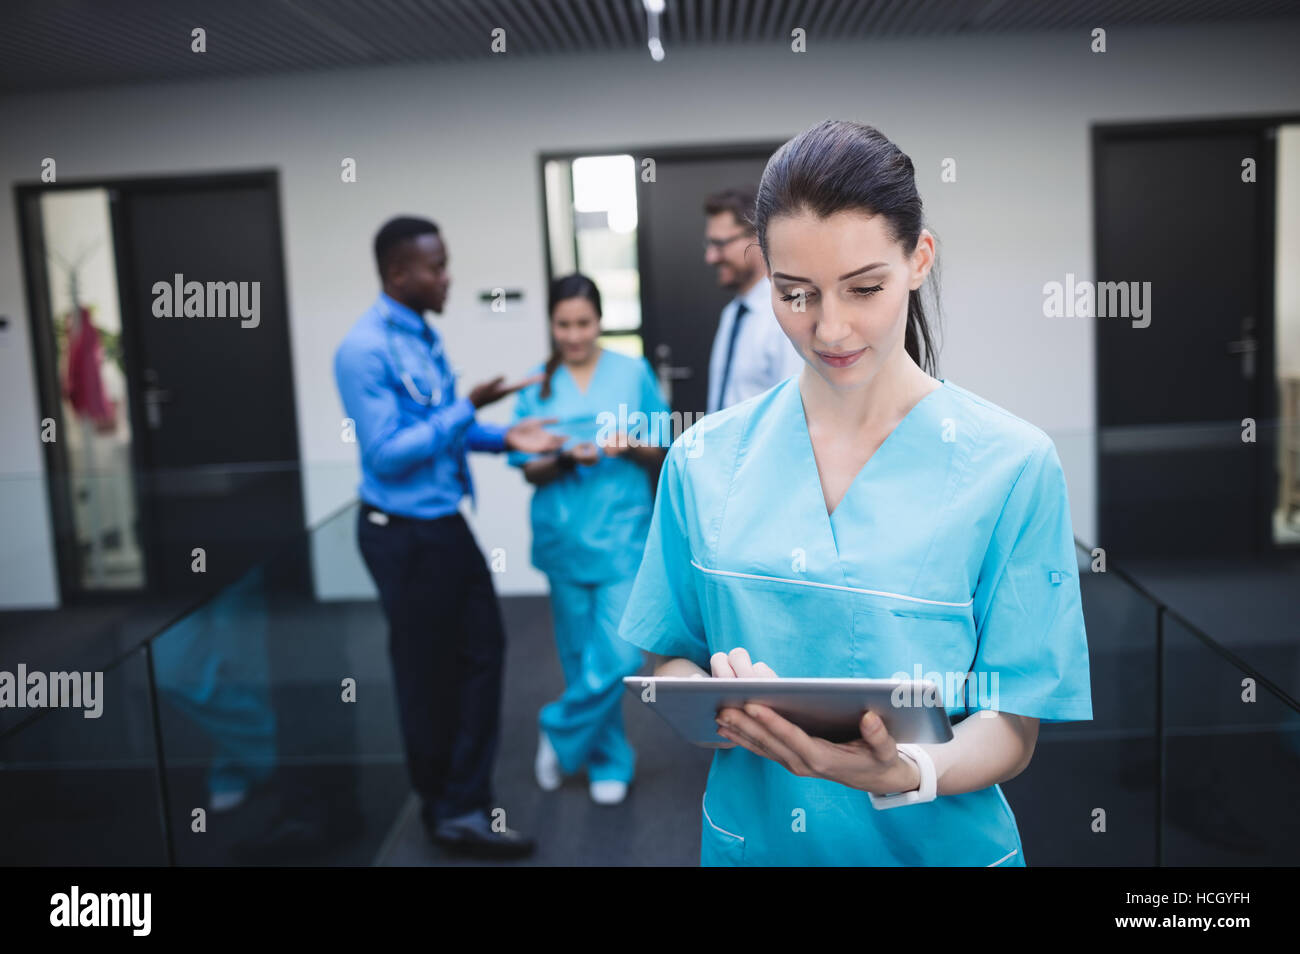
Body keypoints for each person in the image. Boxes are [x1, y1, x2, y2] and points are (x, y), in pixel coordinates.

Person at [618, 121, 1093, 866]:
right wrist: (723, 701)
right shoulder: (702, 461)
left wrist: (912, 770)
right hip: (759, 843)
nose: (829, 329)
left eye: (864, 288)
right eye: (795, 293)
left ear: (918, 260)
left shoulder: (1012, 467)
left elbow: (1013, 721)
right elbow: (666, 661)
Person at [334, 215, 565, 859]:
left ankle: (460, 797)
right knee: (428, 674)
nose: (447, 277)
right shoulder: (365, 349)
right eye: (435, 267)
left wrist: (503, 437)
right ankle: (447, 808)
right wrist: (471, 406)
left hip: (440, 525)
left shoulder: (420, 335)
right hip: (402, 535)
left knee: (482, 653)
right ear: (398, 274)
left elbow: (440, 430)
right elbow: (387, 455)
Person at [509, 273, 670, 805]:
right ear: (551, 324)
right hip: (563, 538)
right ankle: (608, 760)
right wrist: (560, 457)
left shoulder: (632, 372)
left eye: (584, 323)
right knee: (580, 658)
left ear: (599, 321)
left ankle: (556, 726)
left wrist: (631, 446)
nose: (574, 335)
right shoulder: (536, 385)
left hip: (622, 537)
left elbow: (665, 448)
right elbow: (527, 467)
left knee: (622, 655)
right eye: (563, 324)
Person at [703, 185, 805, 413]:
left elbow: (793, 410)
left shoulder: (788, 313)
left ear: (758, 238)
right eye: (709, 245)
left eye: (720, 244)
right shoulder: (733, 313)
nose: (710, 257)